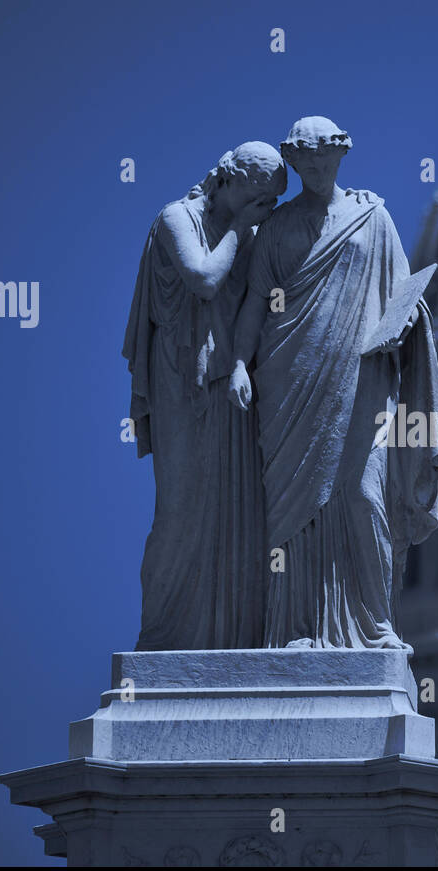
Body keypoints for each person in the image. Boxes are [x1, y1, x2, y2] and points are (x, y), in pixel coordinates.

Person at [229, 117, 438, 650]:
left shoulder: (373, 218)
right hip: (288, 381)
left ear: (341, 157)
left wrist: (407, 323)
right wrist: (237, 363)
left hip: (362, 379)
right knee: (291, 512)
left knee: (362, 494)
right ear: (295, 163)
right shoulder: (278, 229)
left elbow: (404, 294)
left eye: (326, 158)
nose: (317, 168)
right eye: (306, 161)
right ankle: (297, 628)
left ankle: (373, 625)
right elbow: (257, 302)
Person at [122, 142, 286, 650]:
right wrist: (241, 230)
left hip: (232, 384)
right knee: (183, 506)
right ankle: (165, 637)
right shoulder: (176, 218)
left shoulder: (251, 233)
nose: (264, 211)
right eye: (258, 198)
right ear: (230, 181)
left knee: (237, 512)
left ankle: (234, 637)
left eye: (271, 203)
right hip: (182, 378)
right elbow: (203, 279)